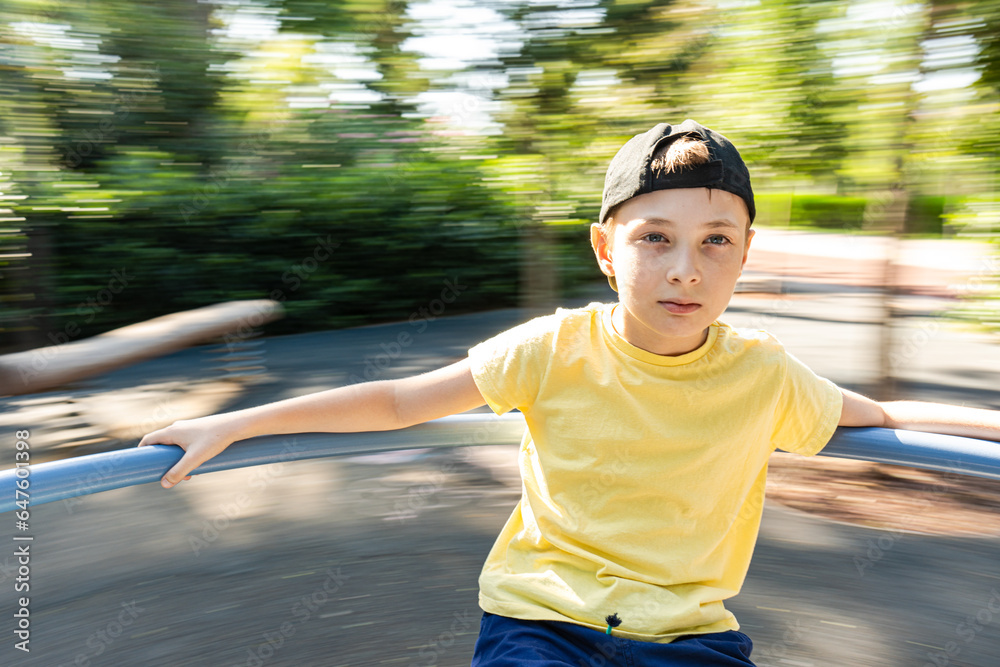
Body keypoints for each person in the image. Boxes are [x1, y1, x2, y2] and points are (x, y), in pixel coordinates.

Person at [139, 120, 1000, 666]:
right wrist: (234, 422)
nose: (683, 268)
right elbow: (402, 401)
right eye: (654, 237)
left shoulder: (762, 371)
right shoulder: (554, 348)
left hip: (689, 637)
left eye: (715, 242)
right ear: (604, 247)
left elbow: (884, 416)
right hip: (541, 623)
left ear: (743, 254)